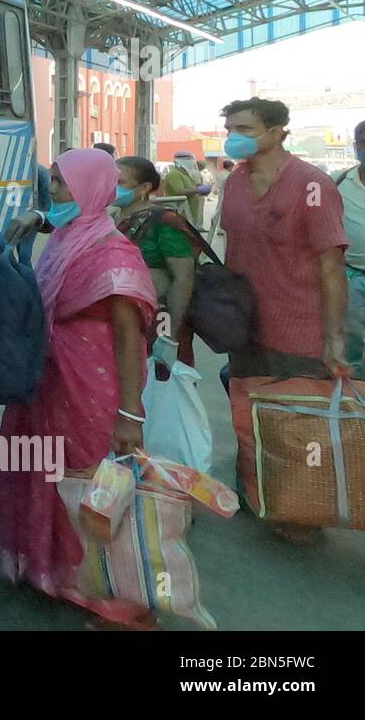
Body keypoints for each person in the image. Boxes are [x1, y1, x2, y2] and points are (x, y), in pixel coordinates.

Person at [0, 148, 157, 626]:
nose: (56, 192)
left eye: (63, 184)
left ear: (88, 190)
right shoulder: (67, 237)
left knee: (90, 484)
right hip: (48, 383)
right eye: (55, 182)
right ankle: (53, 571)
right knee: (43, 474)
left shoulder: (113, 252)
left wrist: (130, 414)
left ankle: (112, 593)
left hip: (91, 389)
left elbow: (129, 338)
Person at [219, 98, 348, 542]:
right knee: (250, 417)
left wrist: (333, 338)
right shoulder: (234, 182)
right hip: (245, 326)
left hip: (298, 327)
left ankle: (304, 513)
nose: (233, 135)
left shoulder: (311, 185)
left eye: (245, 127)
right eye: (230, 127)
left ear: (277, 132)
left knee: (299, 426)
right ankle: (262, 496)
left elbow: (331, 266)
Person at [114, 156, 198, 376]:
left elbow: (183, 278)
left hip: (158, 318)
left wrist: (170, 337)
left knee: (158, 387)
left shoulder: (165, 223)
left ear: (144, 188)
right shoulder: (112, 218)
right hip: (121, 321)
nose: (112, 188)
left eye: (120, 182)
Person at [339, 120, 365, 378]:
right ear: (356, 146)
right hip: (352, 278)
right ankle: (355, 407)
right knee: (352, 346)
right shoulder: (338, 183)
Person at [162, 151, 210, 226]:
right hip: (180, 211)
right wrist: (198, 190)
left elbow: (191, 188)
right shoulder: (174, 174)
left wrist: (201, 189)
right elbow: (179, 191)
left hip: (189, 212)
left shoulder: (185, 174)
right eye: (189, 160)